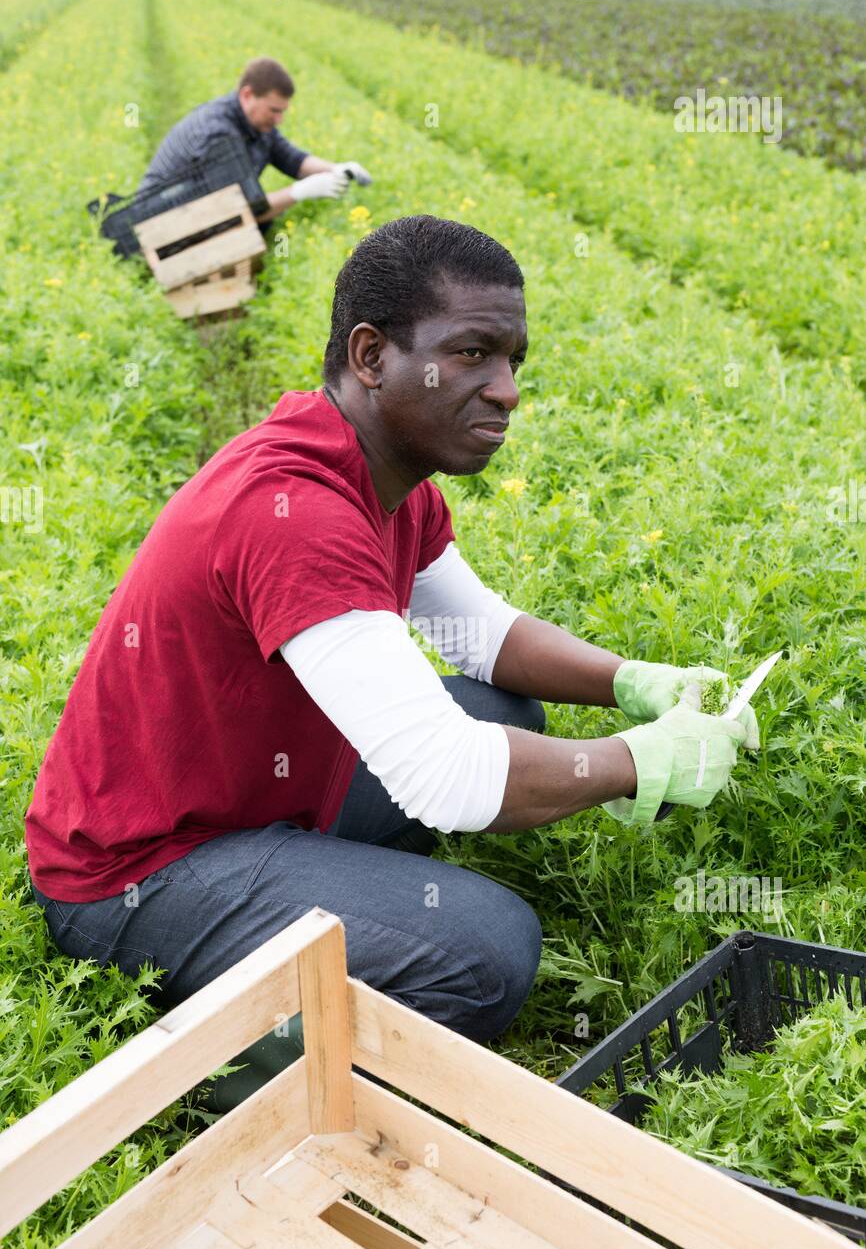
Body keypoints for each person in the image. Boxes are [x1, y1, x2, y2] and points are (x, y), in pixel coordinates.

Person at [25, 215, 758, 1111]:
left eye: (514, 360)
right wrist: (641, 760)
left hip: (263, 800)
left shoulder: (384, 475)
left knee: (507, 711)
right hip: (139, 871)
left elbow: (478, 636)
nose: (507, 391)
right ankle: (228, 1082)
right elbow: (445, 777)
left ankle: (300, 902)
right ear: (372, 356)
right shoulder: (297, 512)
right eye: (474, 354)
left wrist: (633, 683)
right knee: (486, 952)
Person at [136, 56, 372, 224]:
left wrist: (335, 169)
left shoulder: (256, 123)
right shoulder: (218, 133)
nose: (279, 119)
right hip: (160, 222)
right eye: (274, 110)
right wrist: (299, 191)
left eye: (282, 111)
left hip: (194, 215)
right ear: (247, 95)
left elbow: (291, 158)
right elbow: (242, 210)